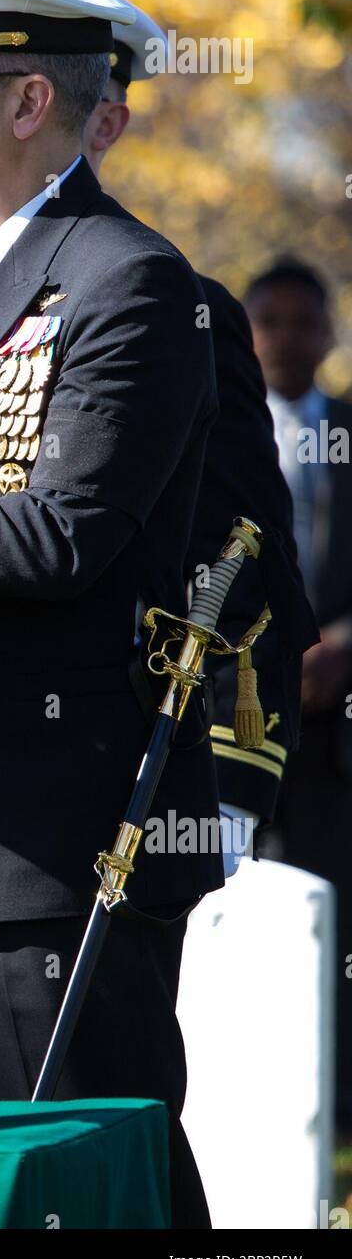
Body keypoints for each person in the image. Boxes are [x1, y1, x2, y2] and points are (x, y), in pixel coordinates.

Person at [0, 3, 318, 888]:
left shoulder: (153, 292)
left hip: (73, 800)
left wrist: (235, 780)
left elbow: (238, 550)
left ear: (48, 107)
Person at [245, 257, 352, 1133]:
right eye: (267, 321)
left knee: (335, 905)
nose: (285, 337)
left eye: (300, 321)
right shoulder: (216, 432)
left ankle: (337, 1104)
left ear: (328, 332)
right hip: (237, 721)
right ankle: (252, 1094)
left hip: (338, 736)